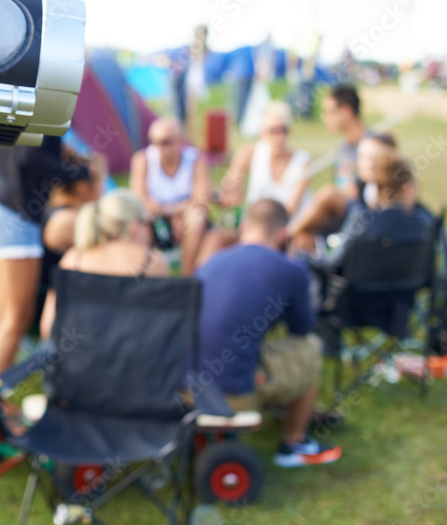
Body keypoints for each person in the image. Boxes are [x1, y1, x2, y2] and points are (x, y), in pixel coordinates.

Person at [194, 199, 342, 467]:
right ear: (283, 235)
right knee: (309, 348)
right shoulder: (291, 269)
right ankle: (293, 444)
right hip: (232, 394)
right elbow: (302, 328)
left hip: (186, 385)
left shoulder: (211, 262)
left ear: (243, 227)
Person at [0, 137, 89, 376]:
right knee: (15, 318)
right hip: (16, 212)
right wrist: (79, 172)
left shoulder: (22, 104)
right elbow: (30, 158)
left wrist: (9, 170)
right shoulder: (50, 107)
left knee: (0, 314)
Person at [39, 189, 169, 340]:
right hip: (135, 356)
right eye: (149, 224)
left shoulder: (71, 260)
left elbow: (48, 328)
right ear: (134, 227)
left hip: (80, 358)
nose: (152, 233)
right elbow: (162, 326)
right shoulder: (151, 260)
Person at [129, 115, 215, 275]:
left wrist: (169, 211)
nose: (159, 147)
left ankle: (187, 274)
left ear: (179, 140)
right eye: (154, 142)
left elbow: (202, 199)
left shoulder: (196, 160)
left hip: (184, 219)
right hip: (156, 220)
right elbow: (140, 199)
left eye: (165, 142)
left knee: (196, 216)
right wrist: (176, 211)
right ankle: (142, 275)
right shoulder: (142, 160)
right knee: (137, 224)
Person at [289, 85, 370, 252]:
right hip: (340, 216)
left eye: (329, 112)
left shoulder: (371, 144)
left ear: (346, 111)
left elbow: (357, 192)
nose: (324, 117)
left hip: (363, 215)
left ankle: (282, 237)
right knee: (302, 239)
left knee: (327, 193)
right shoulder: (344, 146)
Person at [217, 101, 312, 218]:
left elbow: (291, 208)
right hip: (256, 224)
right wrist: (227, 195)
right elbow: (229, 188)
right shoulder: (248, 153)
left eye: (284, 130)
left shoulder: (302, 161)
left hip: (288, 226)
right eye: (273, 131)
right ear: (261, 133)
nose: (279, 137)